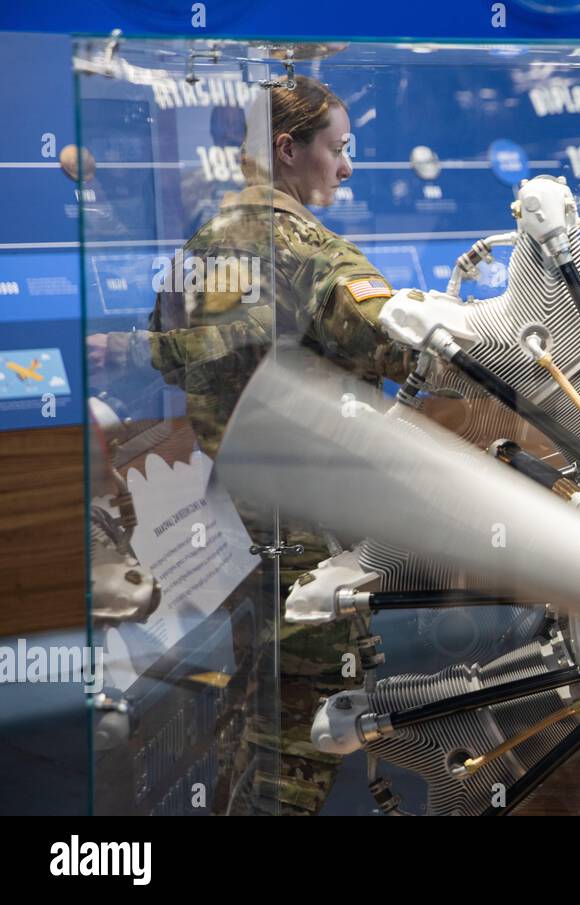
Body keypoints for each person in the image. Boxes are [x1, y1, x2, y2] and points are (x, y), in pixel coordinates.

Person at [89, 76, 414, 815]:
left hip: (229, 523)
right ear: (286, 149)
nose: (348, 167)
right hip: (308, 540)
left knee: (251, 709)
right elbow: (402, 347)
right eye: (339, 149)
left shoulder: (203, 244)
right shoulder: (310, 252)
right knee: (299, 737)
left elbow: (162, 352)